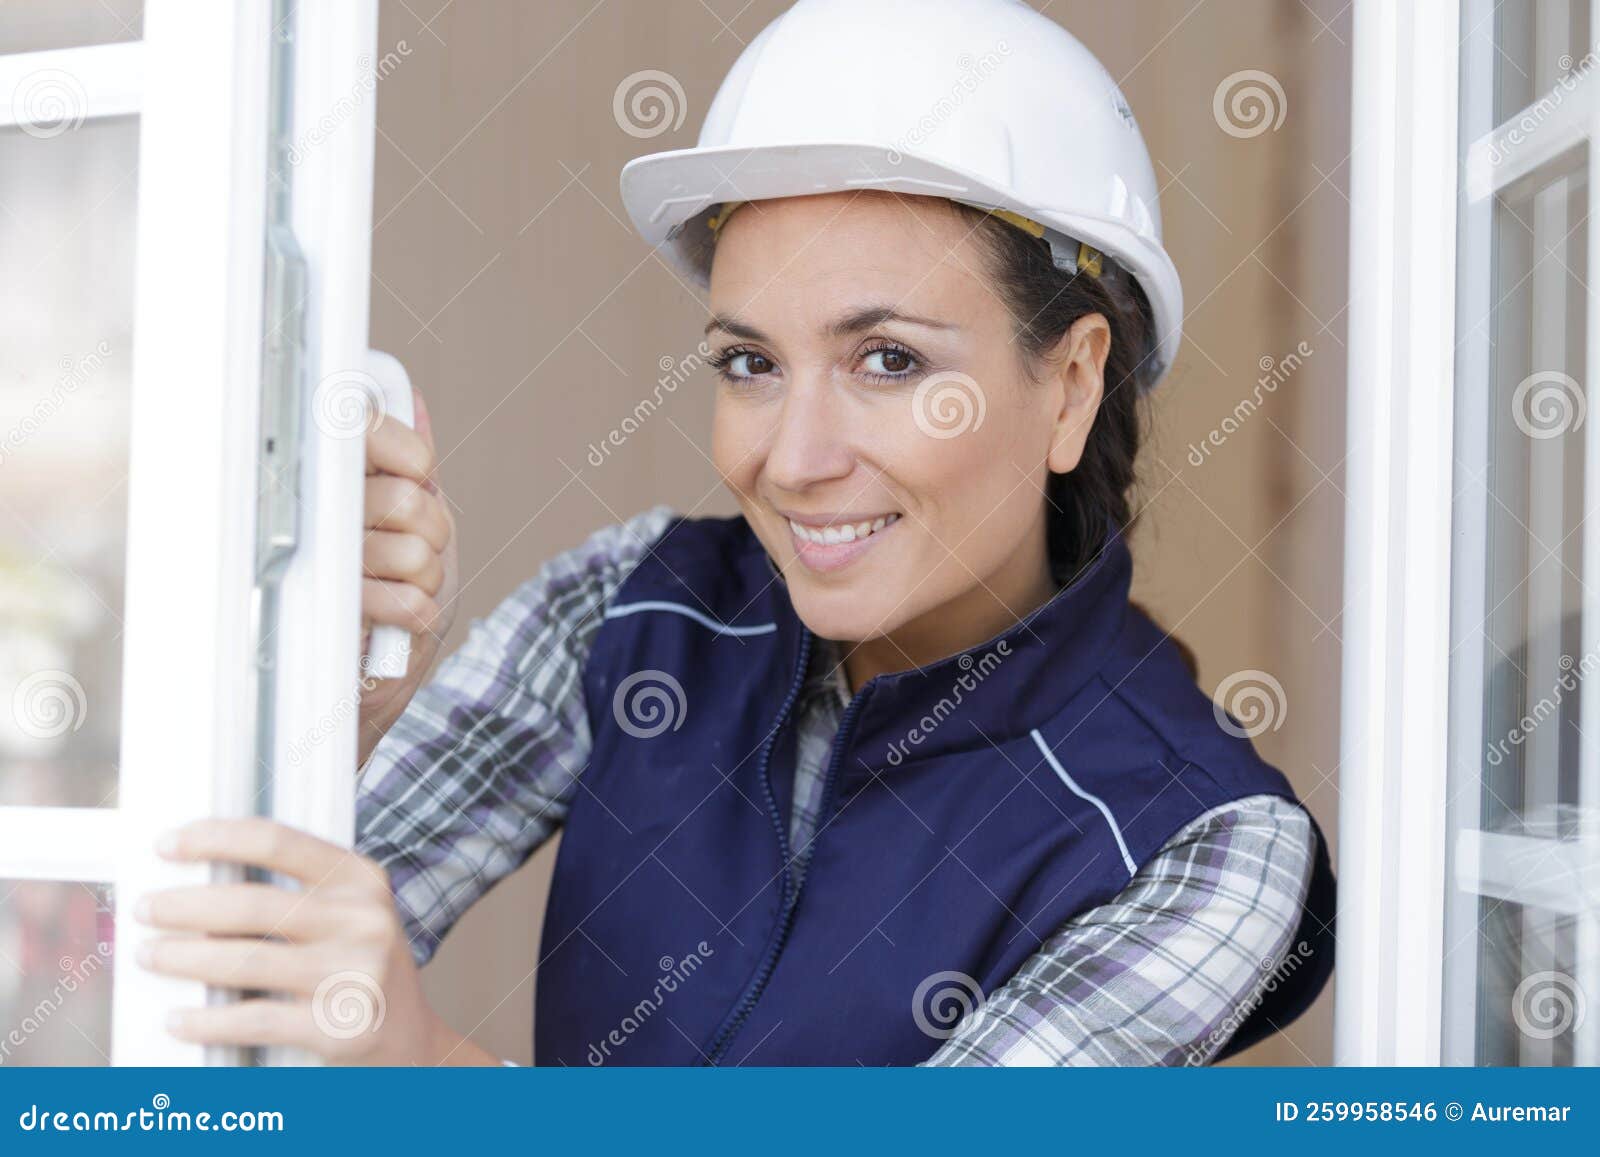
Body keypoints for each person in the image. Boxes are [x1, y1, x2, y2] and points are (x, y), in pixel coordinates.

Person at [133, 0, 1335, 1065]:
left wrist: (429, 1070)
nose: (793, 457)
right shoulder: (629, 611)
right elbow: (201, 968)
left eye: (888, 359)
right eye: (750, 362)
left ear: (1069, 384)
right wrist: (324, 710)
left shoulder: (1201, 848)